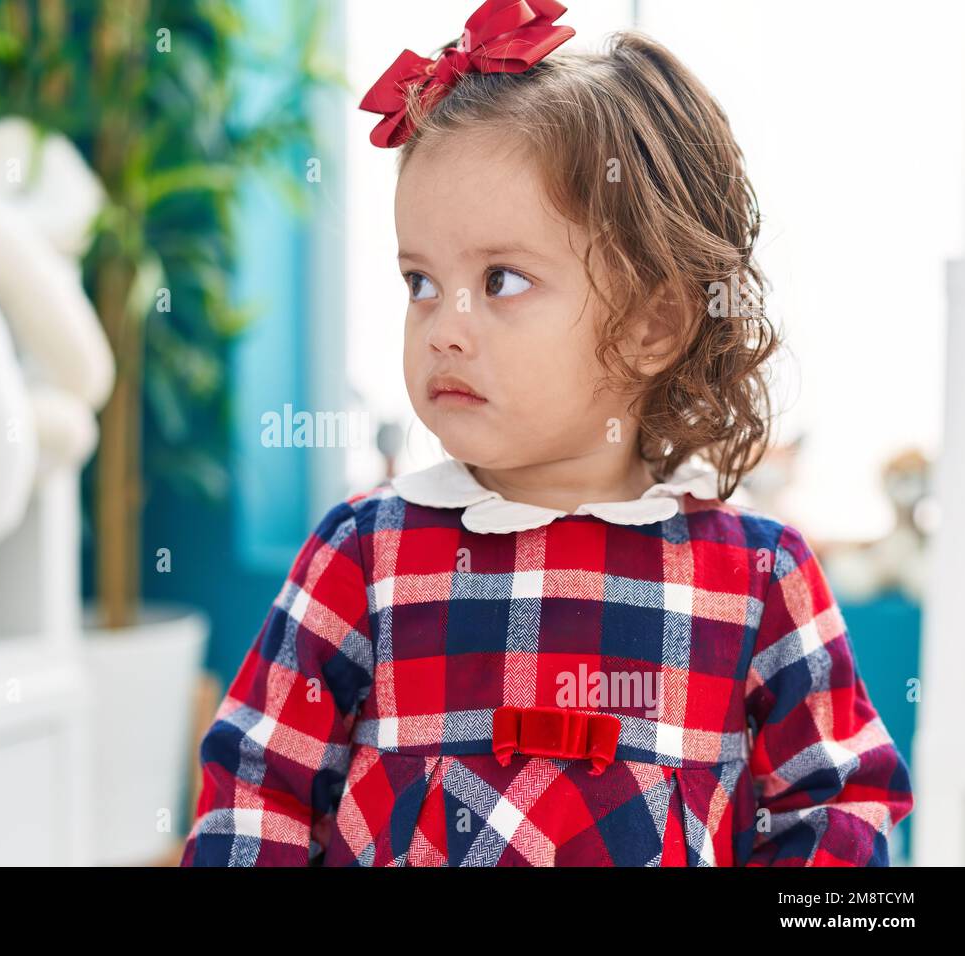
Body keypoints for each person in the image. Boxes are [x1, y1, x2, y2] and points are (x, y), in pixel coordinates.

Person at [180, 0, 912, 866]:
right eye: (420, 281)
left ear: (652, 324)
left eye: (501, 280)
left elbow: (838, 808)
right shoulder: (362, 557)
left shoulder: (758, 579)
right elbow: (258, 789)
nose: (443, 326)